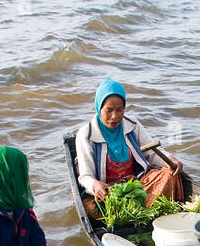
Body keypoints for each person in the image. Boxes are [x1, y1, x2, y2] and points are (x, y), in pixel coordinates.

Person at [75, 78, 183, 217]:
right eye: (109, 110)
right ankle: (143, 211)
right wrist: (95, 185)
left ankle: (141, 212)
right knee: (95, 211)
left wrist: (170, 160)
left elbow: (151, 152)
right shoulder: (86, 134)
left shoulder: (132, 124)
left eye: (120, 110)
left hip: (136, 184)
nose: (115, 116)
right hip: (108, 190)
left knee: (170, 174)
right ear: (99, 108)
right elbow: (85, 176)